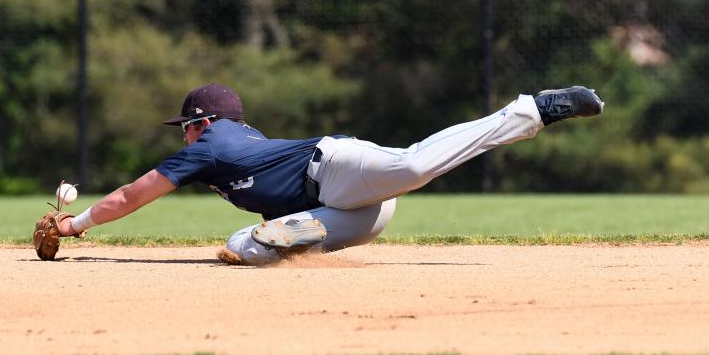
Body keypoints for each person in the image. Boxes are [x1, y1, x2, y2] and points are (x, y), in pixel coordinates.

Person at [59, 83, 603, 264]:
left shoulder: (208, 146)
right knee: (242, 245)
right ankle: (288, 234)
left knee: (414, 164)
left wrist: (74, 225)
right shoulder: (232, 141)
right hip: (359, 214)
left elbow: (134, 194)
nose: (183, 134)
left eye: (187, 125)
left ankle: (530, 110)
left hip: (336, 168)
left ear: (204, 122)